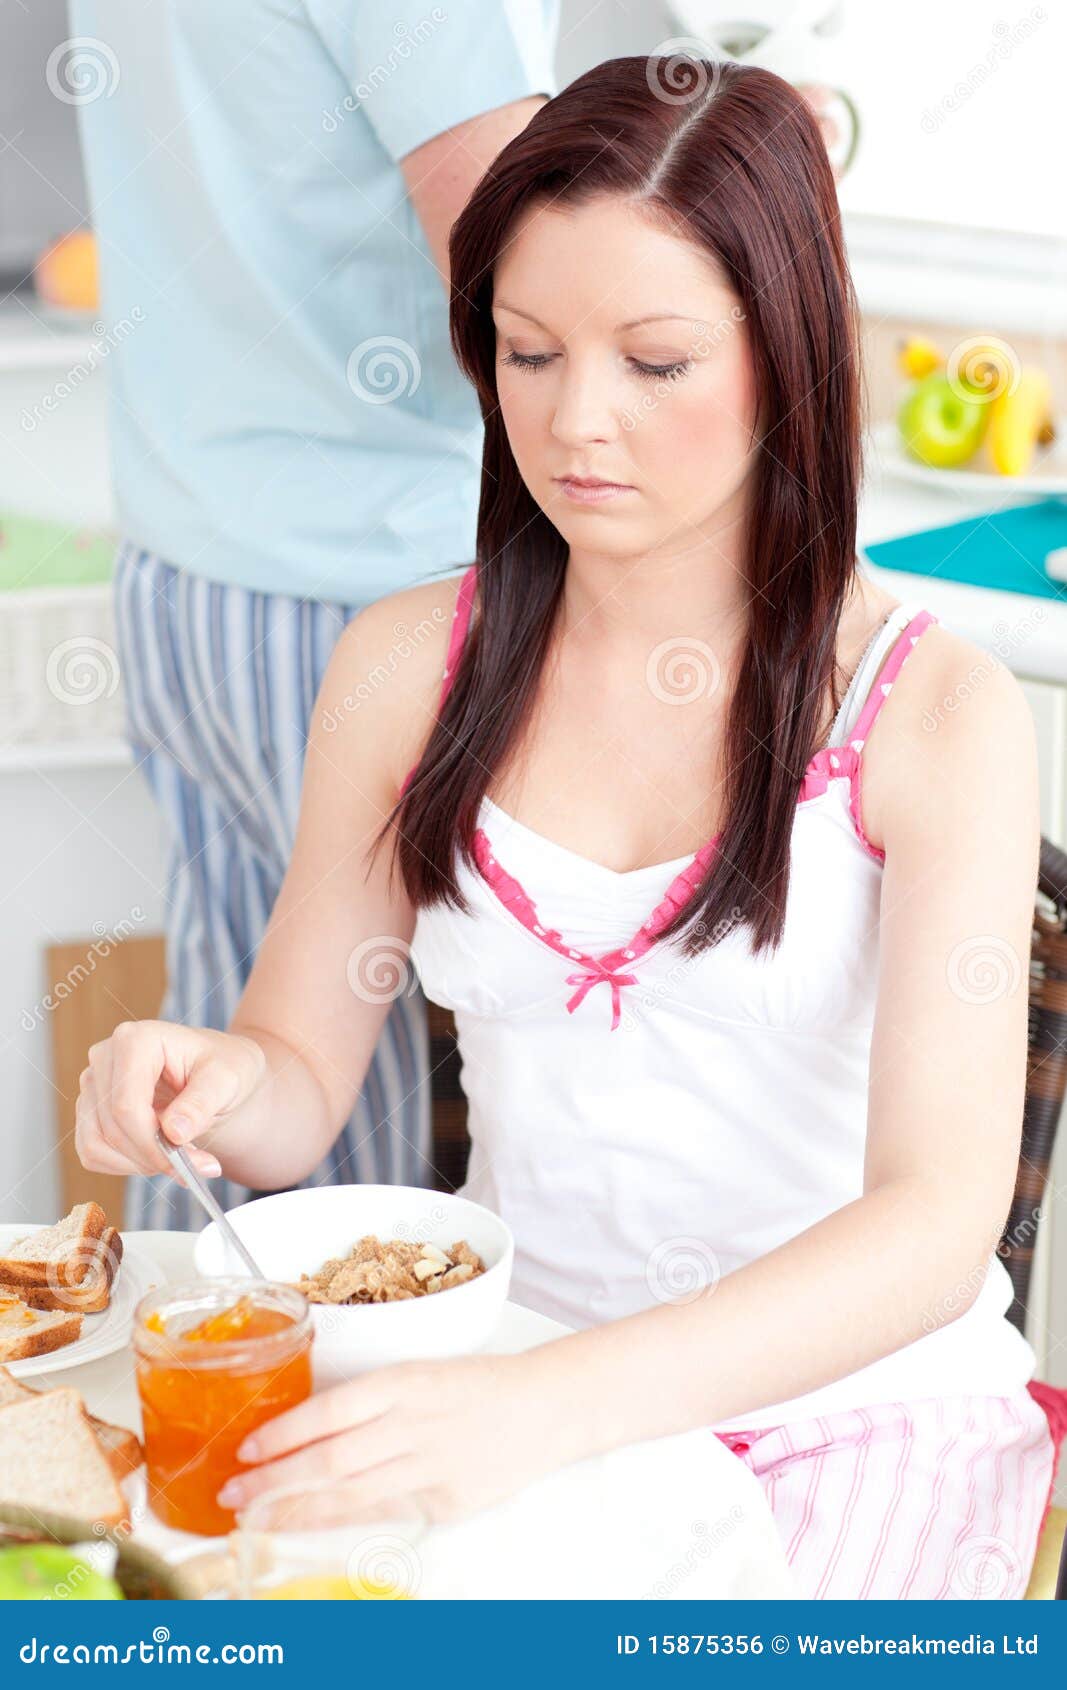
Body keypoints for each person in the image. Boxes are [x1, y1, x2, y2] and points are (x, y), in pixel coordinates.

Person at [76, 55, 1060, 1597]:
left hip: (843, 1423)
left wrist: (547, 1408)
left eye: (653, 362)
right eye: (526, 353)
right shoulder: (410, 665)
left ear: (784, 355)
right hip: (497, 1379)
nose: (573, 420)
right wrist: (201, 1076)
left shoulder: (932, 714)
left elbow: (934, 1221)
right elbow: (295, 1084)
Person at [69, 0, 560, 1228]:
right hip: (373, 582)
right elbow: (530, 287)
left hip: (192, 563)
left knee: (225, 1076)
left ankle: (188, 1407)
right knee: (332, 1150)